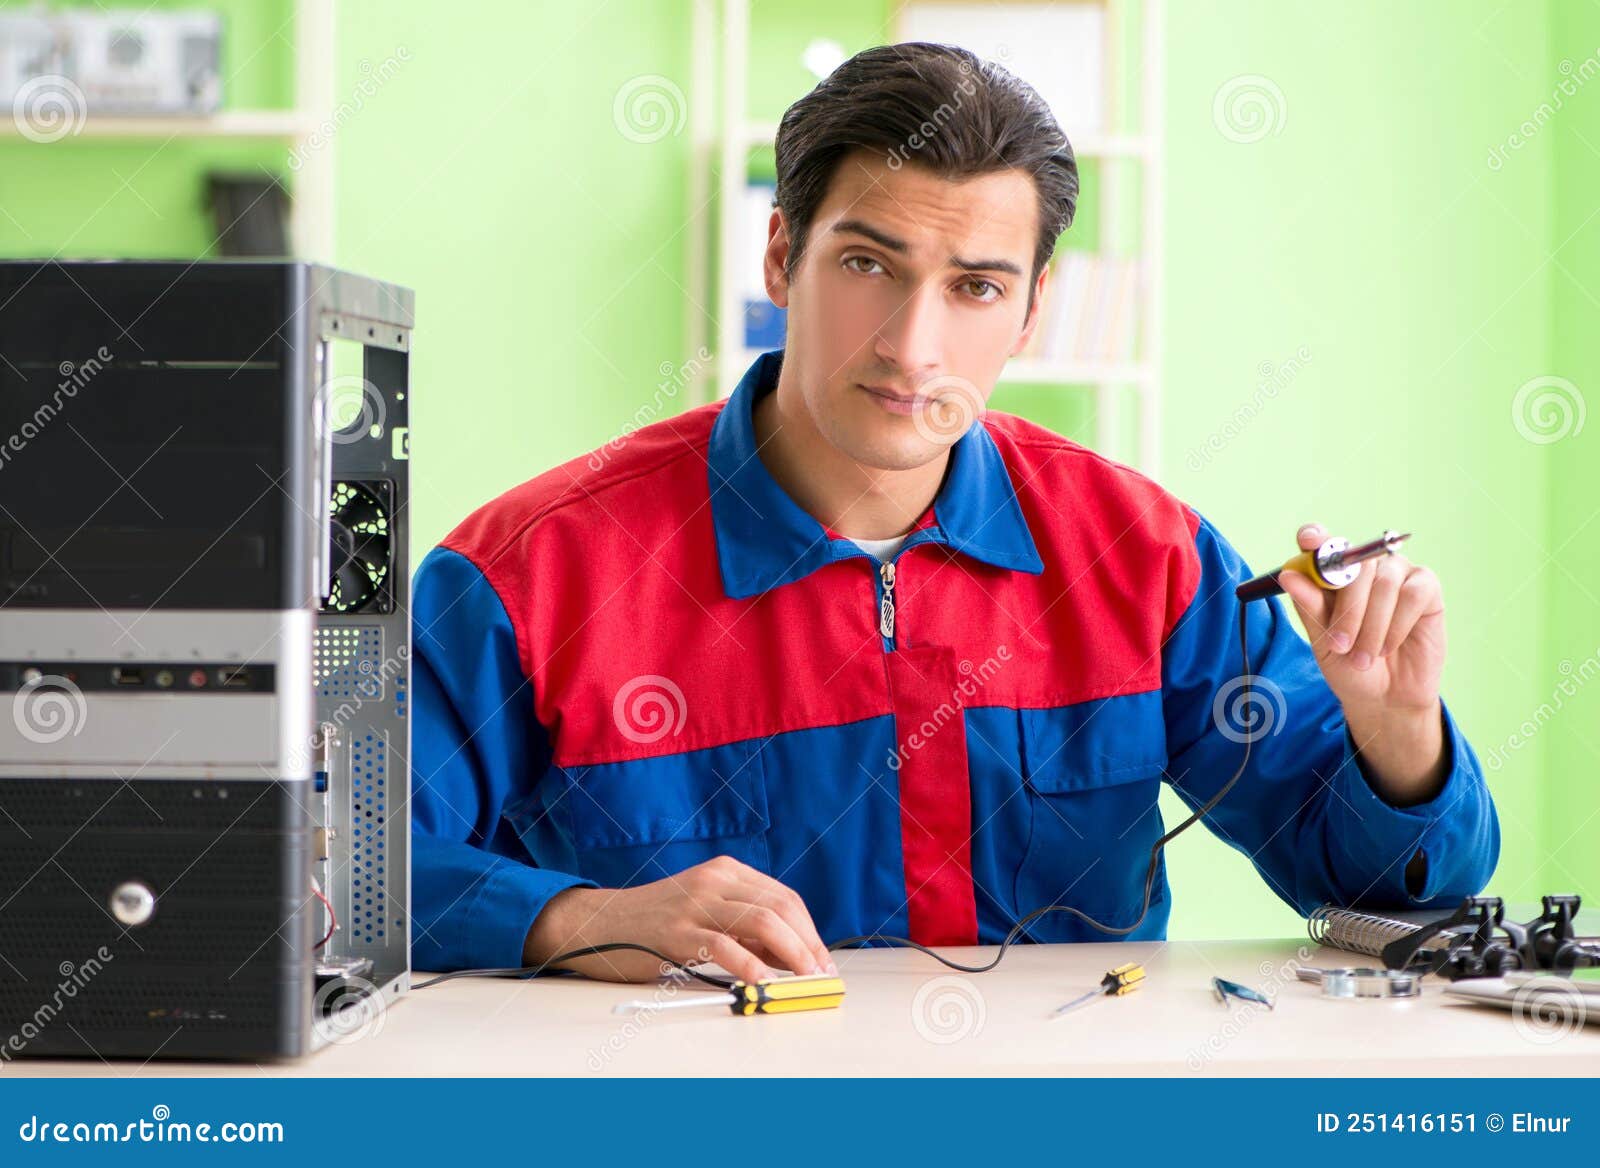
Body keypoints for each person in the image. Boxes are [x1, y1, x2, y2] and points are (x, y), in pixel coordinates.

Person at [409, 43, 1498, 982]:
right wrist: (577, 917)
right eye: (868, 263)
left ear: (1031, 307)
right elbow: (317, 874)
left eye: (974, 286)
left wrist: (1394, 734)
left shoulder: (1140, 555)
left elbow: (1385, 899)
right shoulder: (526, 575)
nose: (910, 345)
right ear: (781, 255)